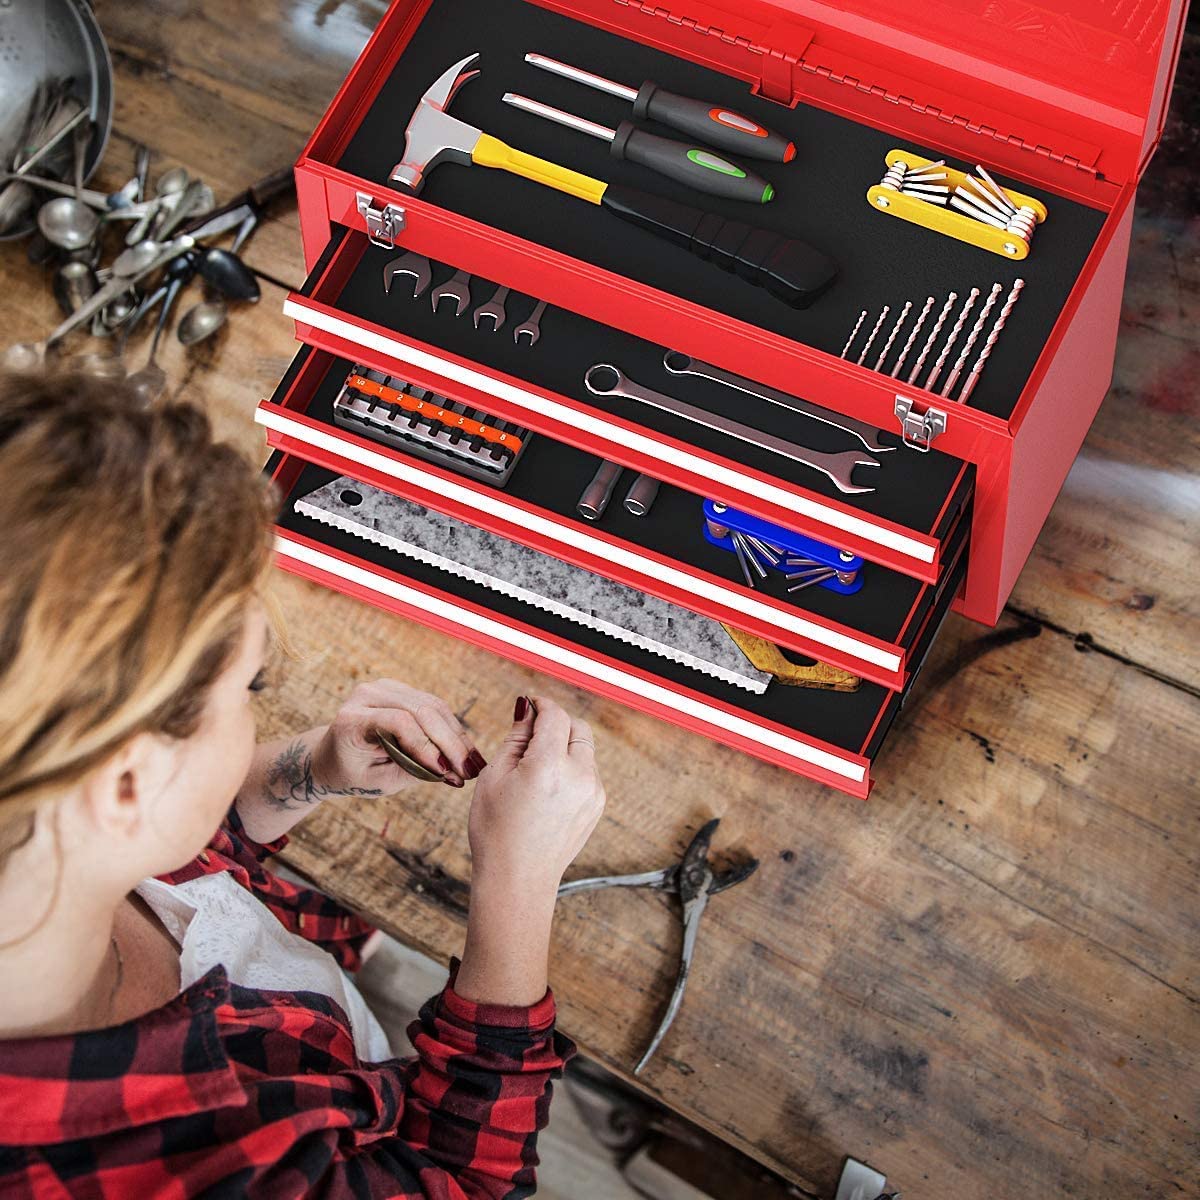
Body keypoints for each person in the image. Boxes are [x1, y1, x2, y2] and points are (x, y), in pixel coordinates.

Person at [0, 371, 606, 1198]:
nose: (259, 714)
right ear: (127, 781)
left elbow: (166, 847)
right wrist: (517, 885)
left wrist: (307, 772)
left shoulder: (35, 833)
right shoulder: (183, 1171)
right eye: (247, 691)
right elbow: (455, 1181)